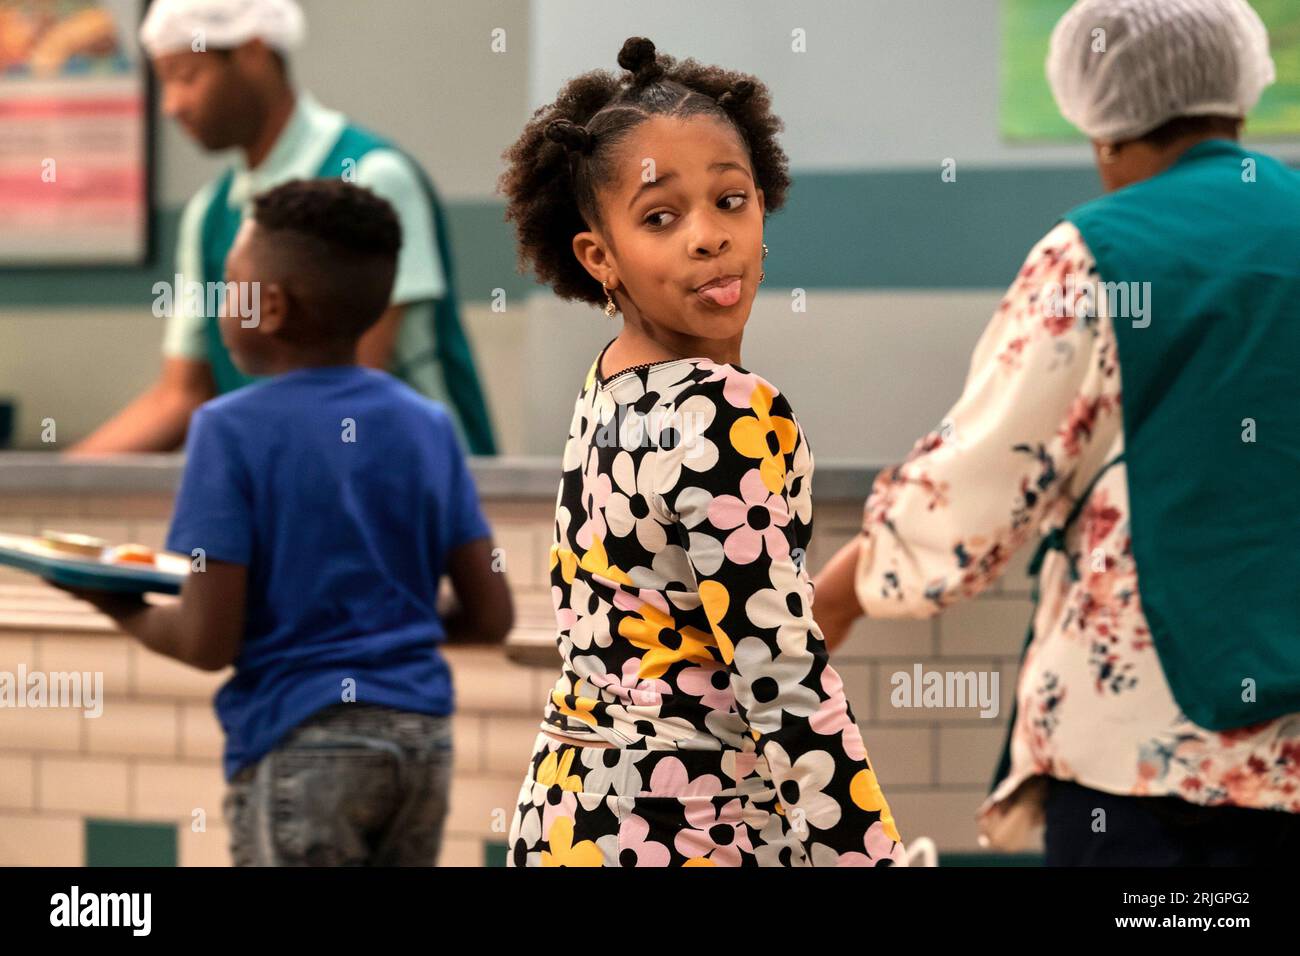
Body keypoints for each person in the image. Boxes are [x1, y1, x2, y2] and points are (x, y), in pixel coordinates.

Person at [812, 0, 1300, 865]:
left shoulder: (1098, 250)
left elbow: (982, 482)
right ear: (1240, 90)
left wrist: (843, 592)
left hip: (1144, 758)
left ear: (1102, 125)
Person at [498, 37, 905, 867]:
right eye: (661, 217)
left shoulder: (610, 387)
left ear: (765, 206)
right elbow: (784, 682)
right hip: (686, 826)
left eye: (730, 201)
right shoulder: (727, 410)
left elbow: (710, 630)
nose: (708, 237)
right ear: (597, 256)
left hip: (569, 819)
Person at [65, 178, 514, 865]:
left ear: (267, 305)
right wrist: (392, 642)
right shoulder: (426, 425)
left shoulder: (229, 431)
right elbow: (491, 615)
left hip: (300, 741)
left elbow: (207, 639)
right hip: (421, 741)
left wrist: (111, 602)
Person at [74, 0, 496, 455]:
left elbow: (356, 385)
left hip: (409, 489)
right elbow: (182, 394)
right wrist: (47, 482)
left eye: (187, 76)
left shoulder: (372, 177)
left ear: (253, 52)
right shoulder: (210, 214)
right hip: (292, 483)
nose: (172, 105)